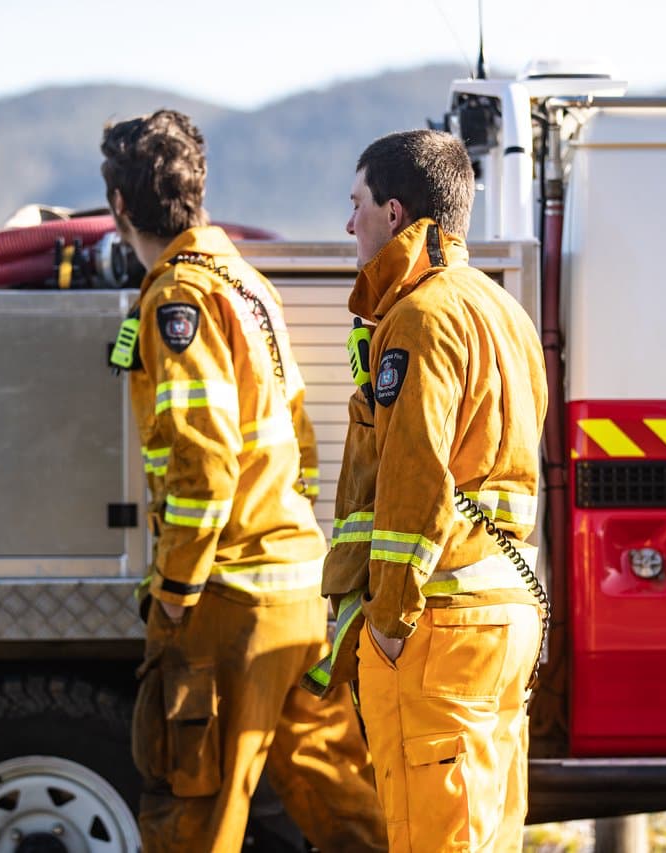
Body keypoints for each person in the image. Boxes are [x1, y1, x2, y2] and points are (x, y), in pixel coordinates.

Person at [101, 109, 386, 853]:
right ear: (196, 191)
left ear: (121, 206)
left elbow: (203, 460)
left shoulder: (177, 298)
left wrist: (175, 591)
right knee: (346, 807)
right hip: (296, 592)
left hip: (227, 599)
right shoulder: (250, 286)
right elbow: (299, 438)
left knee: (194, 815)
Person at [313, 128, 547, 852]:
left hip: (436, 623)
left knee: (433, 835)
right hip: (502, 614)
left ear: (393, 210)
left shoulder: (419, 317)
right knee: (487, 829)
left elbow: (415, 480)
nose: (349, 224)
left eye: (356, 205)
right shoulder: (503, 310)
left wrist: (385, 623)